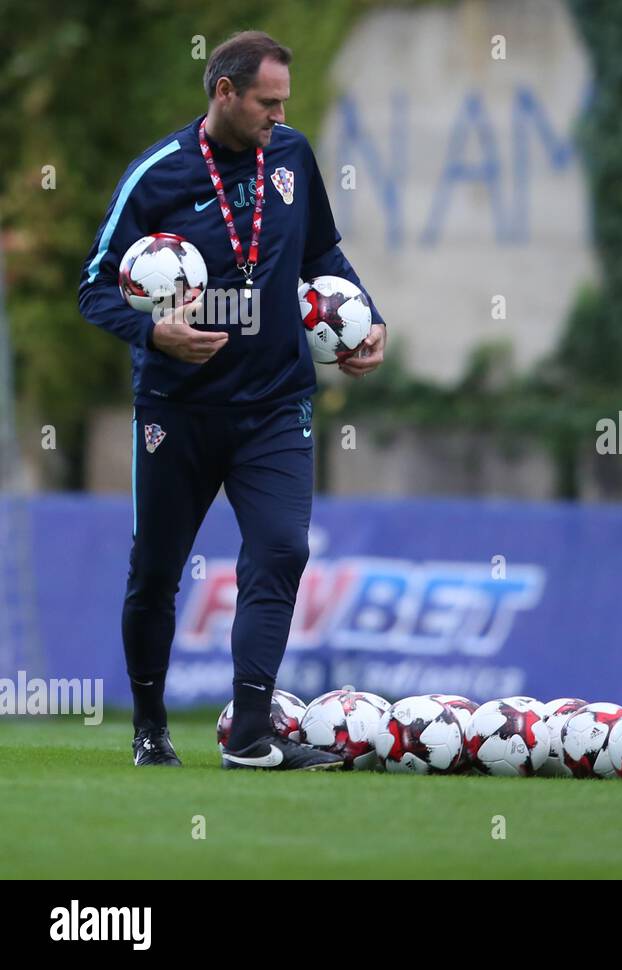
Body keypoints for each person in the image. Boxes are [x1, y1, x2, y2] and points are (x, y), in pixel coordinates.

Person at [77, 30, 386, 770]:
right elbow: (92, 287)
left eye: (285, 103)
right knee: (155, 570)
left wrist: (366, 316)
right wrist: (155, 334)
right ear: (224, 93)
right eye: (267, 103)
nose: (280, 116)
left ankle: (251, 733)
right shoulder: (158, 175)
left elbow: (321, 256)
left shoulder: (292, 157)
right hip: (177, 410)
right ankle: (150, 727)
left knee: (280, 549)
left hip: (276, 404)